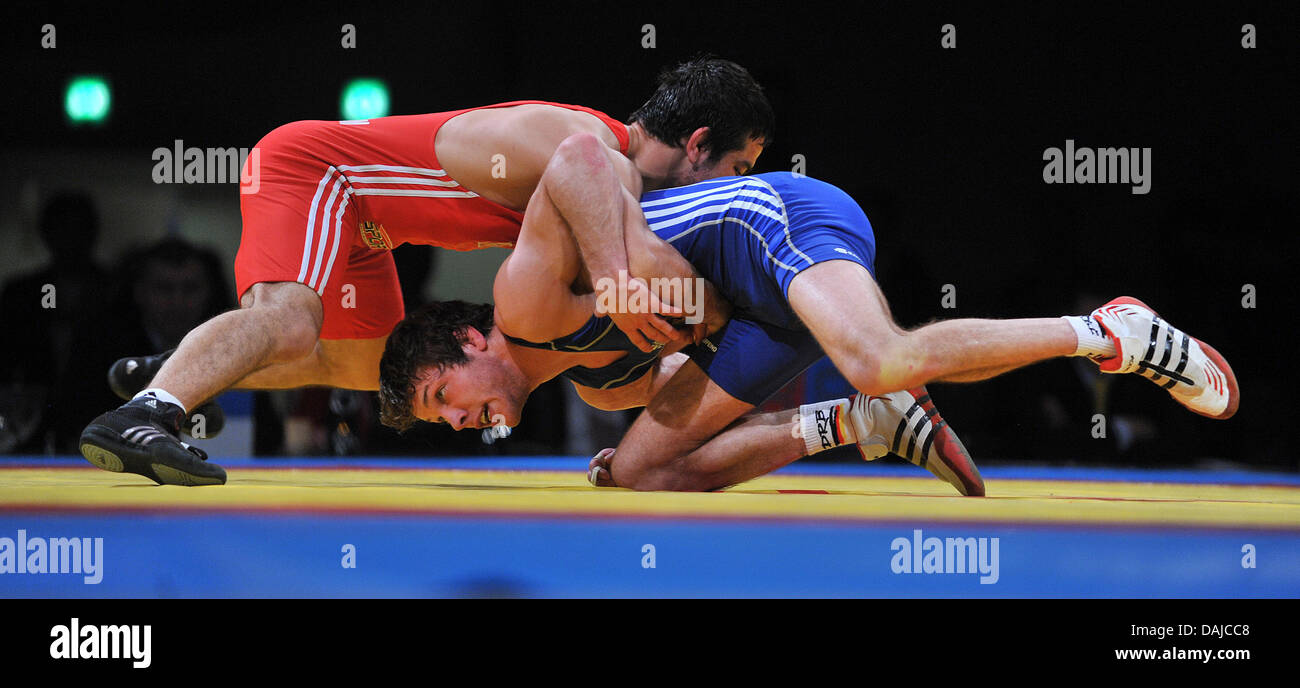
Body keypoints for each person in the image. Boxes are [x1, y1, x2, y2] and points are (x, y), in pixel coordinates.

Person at [78, 57, 773, 485]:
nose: (732, 185)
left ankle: (178, 366)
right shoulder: (588, 147)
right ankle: (146, 414)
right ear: (699, 143)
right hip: (322, 173)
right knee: (289, 322)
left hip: (371, 224)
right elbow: (625, 276)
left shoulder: (614, 176)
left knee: (367, 365)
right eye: (737, 169)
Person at [378, 163, 1239, 496]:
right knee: (640, 471)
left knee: (881, 357)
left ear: (470, 342)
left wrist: (612, 274)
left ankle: (1107, 332)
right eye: (442, 423)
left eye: (442, 398)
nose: (459, 422)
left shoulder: (522, 304)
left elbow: (576, 160)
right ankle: (865, 425)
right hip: (760, 314)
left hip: (768, 222)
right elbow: (723, 411)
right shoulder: (598, 383)